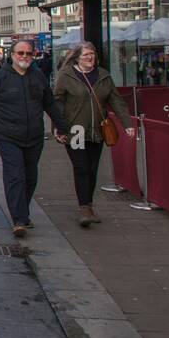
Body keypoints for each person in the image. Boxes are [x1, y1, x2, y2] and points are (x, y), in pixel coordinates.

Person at [0, 40, 68, 238]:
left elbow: (50, 104)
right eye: (20, 53)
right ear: (12, 55)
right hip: (6, 135)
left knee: (30, 176)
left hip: (34, 135)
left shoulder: (38, 77)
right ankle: (18, 219)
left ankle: (23, 211)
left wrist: (62, 126)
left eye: (28, 53)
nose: (25, 56)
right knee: (15, 175)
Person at [53, 41, 134, 227]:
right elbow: (57, 101)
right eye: (86, 55)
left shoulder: (104, 76)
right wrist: (58, 127)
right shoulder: (66, 75)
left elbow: (116, 101)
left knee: (92, 168)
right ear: (77, 57)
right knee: (81, 167)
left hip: (98, 129)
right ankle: (84, 209)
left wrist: (127, 124)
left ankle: (88, 204)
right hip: (76, 129)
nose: (90, 58)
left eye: (92, 54)